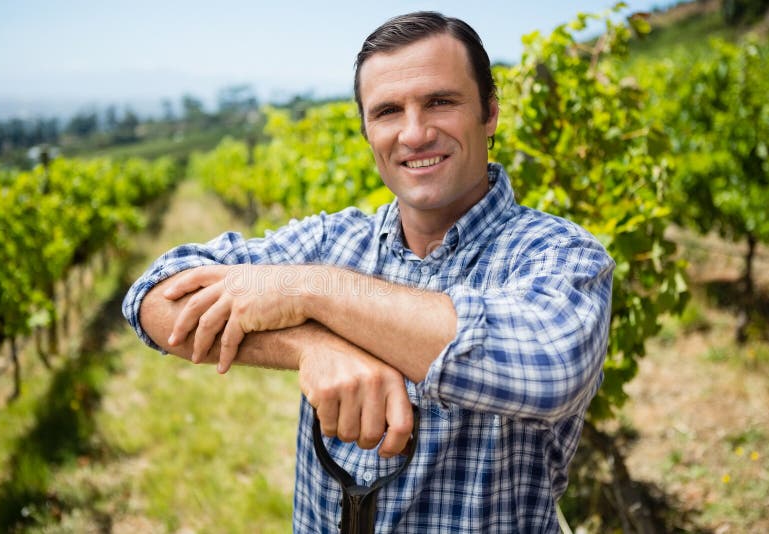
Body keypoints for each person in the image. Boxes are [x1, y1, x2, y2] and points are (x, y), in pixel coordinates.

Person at [122, 11, 614, 533]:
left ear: (489, 113)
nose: (415, 133)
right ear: (367, 131)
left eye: (440, 102)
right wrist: (313, 347)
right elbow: (154, 297)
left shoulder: (558, 253)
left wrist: (312, 289)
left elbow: (548, 367)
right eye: (387, 112)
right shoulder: (333, 240)